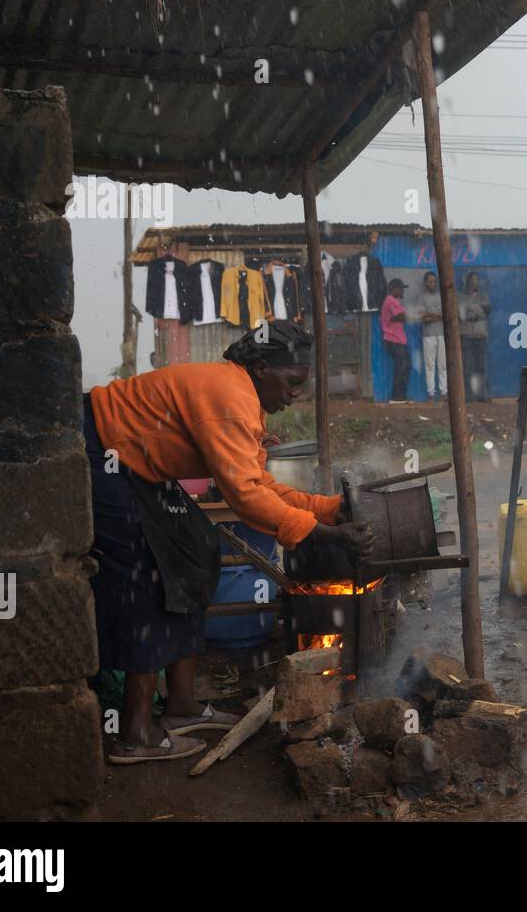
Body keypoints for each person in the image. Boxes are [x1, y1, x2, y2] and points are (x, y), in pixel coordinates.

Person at [84, 320, 374, 763]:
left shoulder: (243, 397)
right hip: (102, 449)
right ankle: (137, 732)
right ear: (261, 368)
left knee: (195, 549)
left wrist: (325, 508)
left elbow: (257, 483)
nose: (295, 394)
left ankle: (180, 705)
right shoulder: (230, 397)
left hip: (137, 464)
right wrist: (324, 533)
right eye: (292, 383)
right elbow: (245, 497)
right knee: (146, 572)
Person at [459, 271, 492, 402]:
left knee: (482, 366)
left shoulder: (483, 296)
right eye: (472, 279)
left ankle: (482, 394)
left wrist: (472, 310)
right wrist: (476, 310)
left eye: (476, 279)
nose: (474, 282)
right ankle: (469, 394)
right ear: (467, 282)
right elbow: (460, 314)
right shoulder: (460, 296)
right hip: (466, 335)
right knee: (468, 366)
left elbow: (486, 312)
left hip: (481, 335)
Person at [380, 277, 411, 402]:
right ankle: (396, 396)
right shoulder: (390, 300)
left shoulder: (393, 301)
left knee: (404, 366)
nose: (403, 291)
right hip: (393, 339)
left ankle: (400, 396)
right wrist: (406, 315)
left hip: (398, 339)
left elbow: (402, 317)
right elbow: (402, 317)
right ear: (394, 289)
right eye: (401, 288)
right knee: (402, 367)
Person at [418, 271, 448, 401]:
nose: (433, 284)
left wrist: (431, 314)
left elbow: (446, 315)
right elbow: (423, 317)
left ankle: (444, 393)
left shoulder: (442, 296)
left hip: (442, 334)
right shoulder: (421, 297)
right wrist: (437, 315)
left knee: (443, 365)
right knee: (430, 365)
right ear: (426, 283)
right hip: (428, 335)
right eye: (430, 281)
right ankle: (431, 393)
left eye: (435, 281)